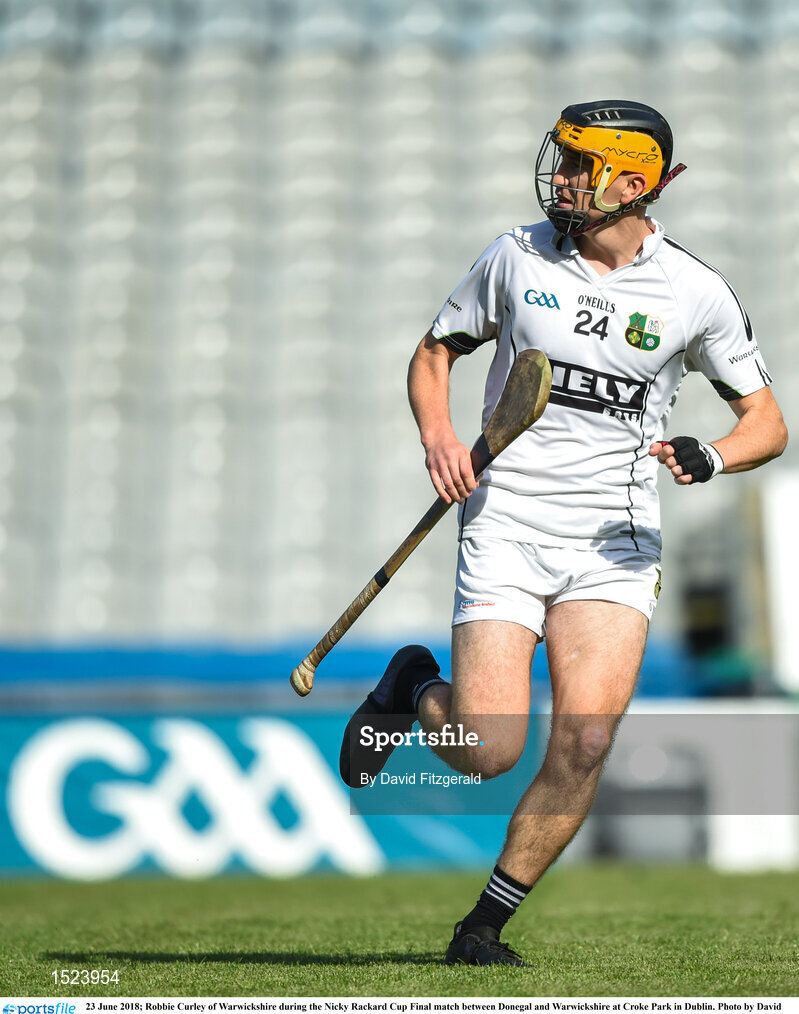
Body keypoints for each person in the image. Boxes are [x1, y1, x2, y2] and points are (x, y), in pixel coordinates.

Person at [340, 99, 788, 966]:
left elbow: (766, 422)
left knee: (584, 739)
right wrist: (438, 437)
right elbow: (436, 352)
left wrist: (714, 453)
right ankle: (409, 693)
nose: (563, 178)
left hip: (613, 541)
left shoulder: (695, 293)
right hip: (507, 520)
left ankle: (481, 929)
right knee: (485, 749)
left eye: (581, 166)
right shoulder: (514, 257)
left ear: (632, 182)